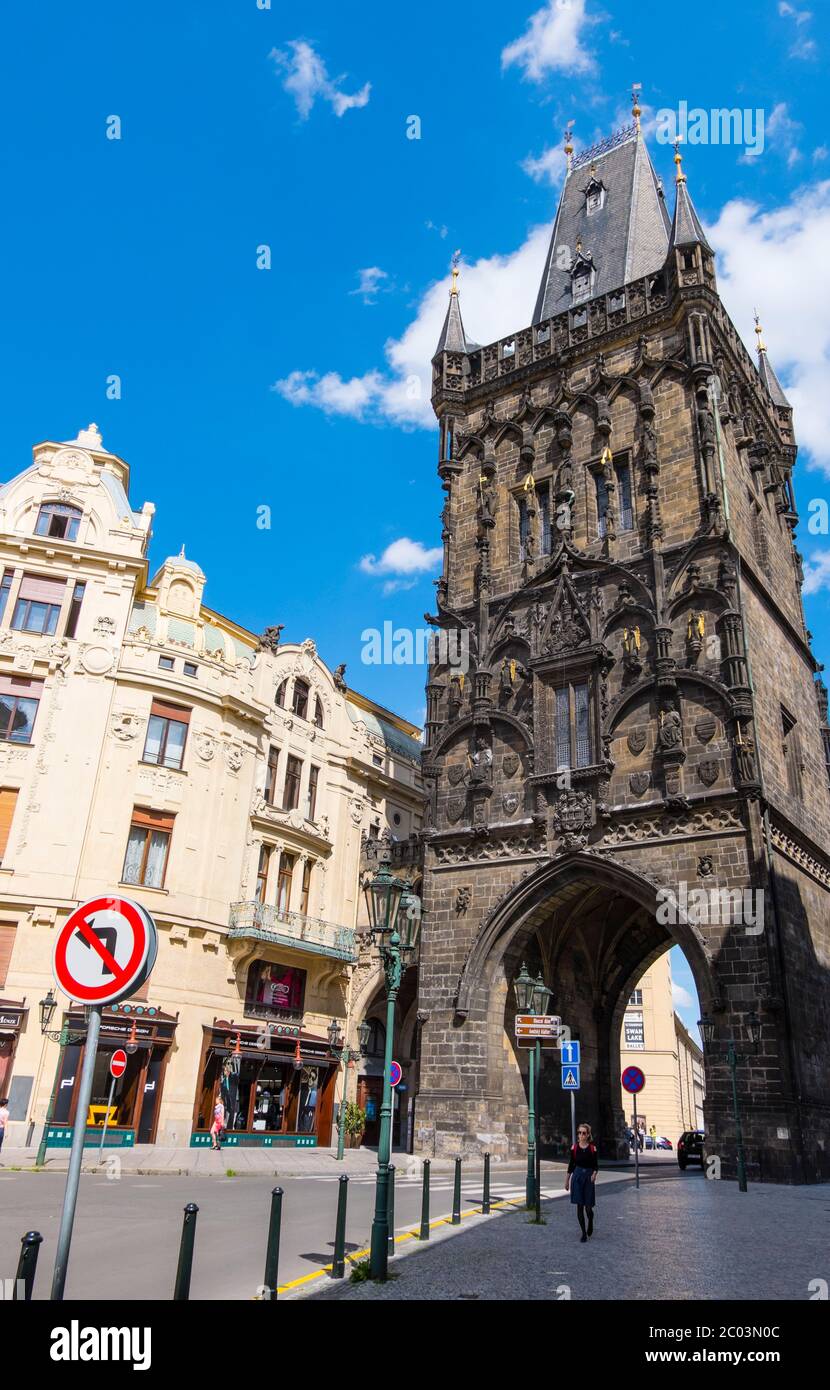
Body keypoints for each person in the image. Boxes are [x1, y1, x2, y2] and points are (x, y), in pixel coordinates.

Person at [565, 1122, 598, 1242]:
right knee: (579, 1206)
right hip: (577, 1177)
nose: (581, 1135)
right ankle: (583, 1233)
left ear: (588, 1135)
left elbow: (595, 1165)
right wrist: (567, 1181)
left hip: (588, 1177)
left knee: (588, 1208)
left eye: (583, 1133)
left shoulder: (592, 1148)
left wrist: (594, 1174)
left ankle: (590, 1222)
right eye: (579, 1133)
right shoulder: (574, 1148)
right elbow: (571, 1165)